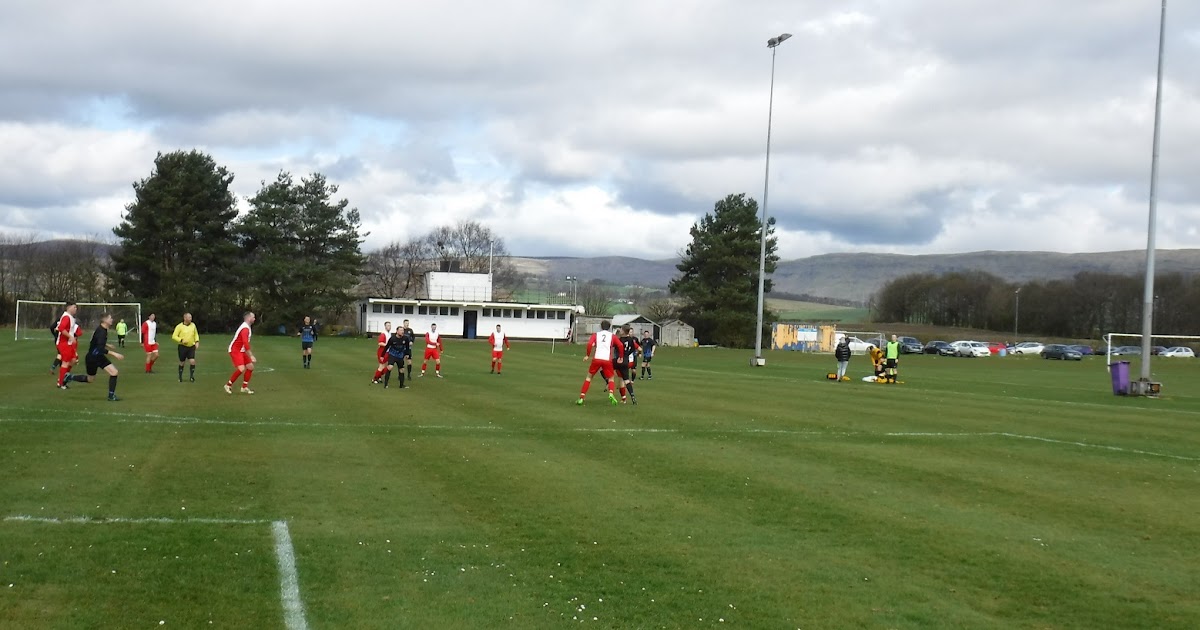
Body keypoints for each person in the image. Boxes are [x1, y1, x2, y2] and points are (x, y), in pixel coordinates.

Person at [576, 320, 623, 406]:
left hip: (597, 358)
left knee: (589, 378)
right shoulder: (612, 336)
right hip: (607, 359)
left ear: (601, 326)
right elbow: (620, 345)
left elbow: (590, 344)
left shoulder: (596, 335)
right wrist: (621, 357)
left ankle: (581, 398)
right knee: (611, 378)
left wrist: (587, 355)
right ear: (609, 327)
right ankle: (611, 393)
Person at [79, 313, 124, 401]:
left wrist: (107, 345)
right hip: (94, 357)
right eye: (110, 318)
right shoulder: (102, 332)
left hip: (95, 356)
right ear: (105, 320)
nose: (112, 320)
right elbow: (100, 348)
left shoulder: (101, 329)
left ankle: (69, 377)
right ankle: (111, 396)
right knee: (112, 373)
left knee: (91, 379)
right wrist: (114, 354)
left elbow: (95, 342)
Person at [224, 312, 257, 395]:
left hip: (240, 350)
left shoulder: (246, 327)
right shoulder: (245, 328)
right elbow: (245, 342)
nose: (254, 319)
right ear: (248, 318)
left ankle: (244, 387)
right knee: (241, 368)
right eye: (253, 317)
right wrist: (251, 355)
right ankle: (228, 385)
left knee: (250, 367)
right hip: (235, 350)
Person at [55, 302, 79, 389]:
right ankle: (61, 383)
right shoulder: (66, 317)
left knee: (73, 360)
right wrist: (70, 337)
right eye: (74, 307)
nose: (76, 309)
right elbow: (61, 328)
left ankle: (63, 378)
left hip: (68, 343)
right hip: (63, 343)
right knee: (66, 362)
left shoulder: (70, 317)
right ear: (69, 307)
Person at [615, 325, 641, 404]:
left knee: (620, 379)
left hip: (619, 361)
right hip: (627, 361)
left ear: (623, 331)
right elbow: (637, 349)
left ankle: (623, 398)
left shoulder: (619, 340)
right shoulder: (631, 340)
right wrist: (630, 354)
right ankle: (632, 396)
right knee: (626, 380)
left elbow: (615, 348)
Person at [172, 312, 200, 383]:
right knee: (182, 362)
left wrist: (197, 341)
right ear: (185, 318)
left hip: (191, 346)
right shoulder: (179, 326)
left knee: (192, 361)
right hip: (182, 347)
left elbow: (196, 334)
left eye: (191, 317)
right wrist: (181, 340)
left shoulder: (193, 325)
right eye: (189, 317)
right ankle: (180, 377)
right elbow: (174, 336)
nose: (191, 319)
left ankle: (191, 377)